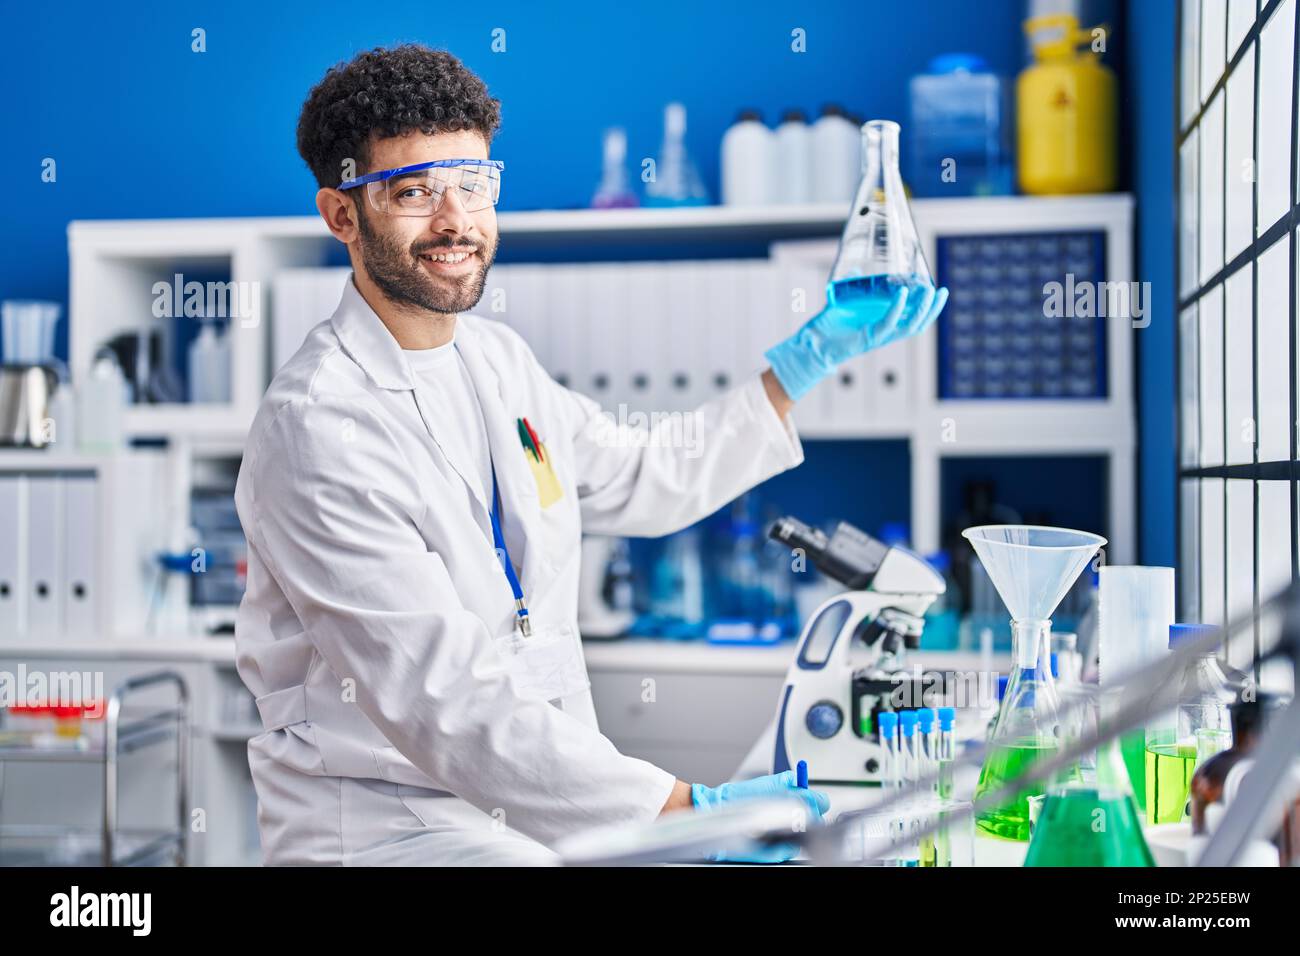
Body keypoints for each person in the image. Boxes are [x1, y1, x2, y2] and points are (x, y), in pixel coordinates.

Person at [234, 43, 947, 865]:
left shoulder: (498, 363)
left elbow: (644, 475)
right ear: (341, 214)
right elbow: (442, 697)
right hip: (391, 829)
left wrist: (797, 369)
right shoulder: (319, 426)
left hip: (539, 811)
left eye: (474, 184)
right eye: (414, 192)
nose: (456, 220)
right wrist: (687, 813)